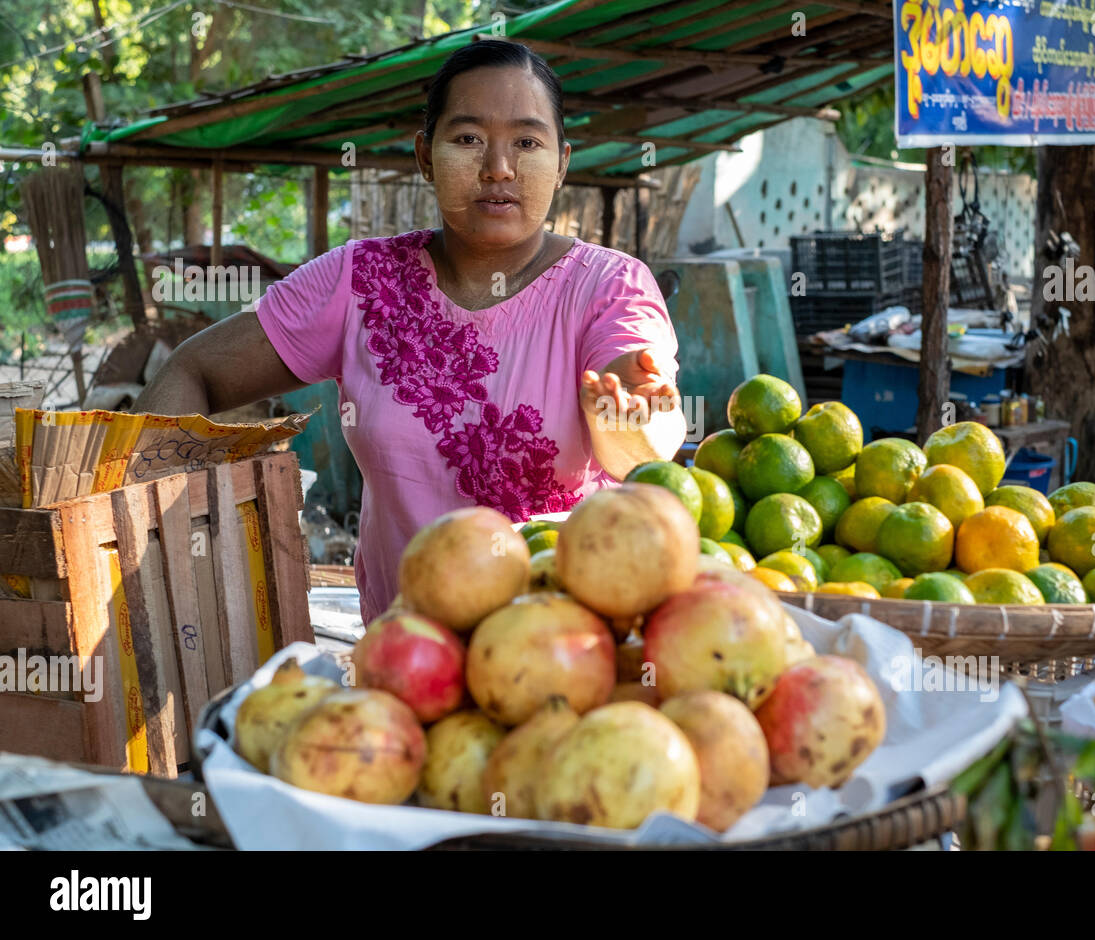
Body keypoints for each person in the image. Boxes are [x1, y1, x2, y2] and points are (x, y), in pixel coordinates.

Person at [136, 40, 687, 622]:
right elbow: (191, 369)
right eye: (468, 138)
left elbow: (645, 438)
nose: (499, 167)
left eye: (527, 142)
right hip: (403, 665)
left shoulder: (609, 287)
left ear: (562, 163)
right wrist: (142, 549)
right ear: (425, 156)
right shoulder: (360, 282)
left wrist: (632, 418)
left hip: (559, 651)